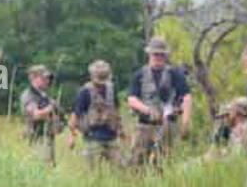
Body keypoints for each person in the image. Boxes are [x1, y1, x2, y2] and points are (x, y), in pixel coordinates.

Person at [126, 37, 192, 167]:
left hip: (167, 125)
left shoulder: (175, 74)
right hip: (145, 125)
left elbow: (186, 97)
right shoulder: (139, 74)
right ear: (149, 54)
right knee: (137, 163)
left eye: (162, 54)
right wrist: (147, 110)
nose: (158, 57)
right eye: (155, 54)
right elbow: (131, 99)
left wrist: (185, 121)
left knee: (164, 163)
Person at [68, 59, 124, 169]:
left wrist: (121, 132)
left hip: (111, 137)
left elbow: (116, 112)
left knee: (121, 168)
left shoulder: (111, 90)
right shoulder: (84, 92)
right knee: (92, 173)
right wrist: (71, 136)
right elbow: (76, 115)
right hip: (92, 138)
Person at [19, 65, 60, 164]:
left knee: (50, 167)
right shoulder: (28, 95)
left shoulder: (44, 95)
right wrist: (50, 108)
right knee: (43, 167)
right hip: (37, 138)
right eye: (44, 78)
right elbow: (35, 115)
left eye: (48, 78)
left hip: (47, 137)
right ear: (34, 78)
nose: (47, 81)